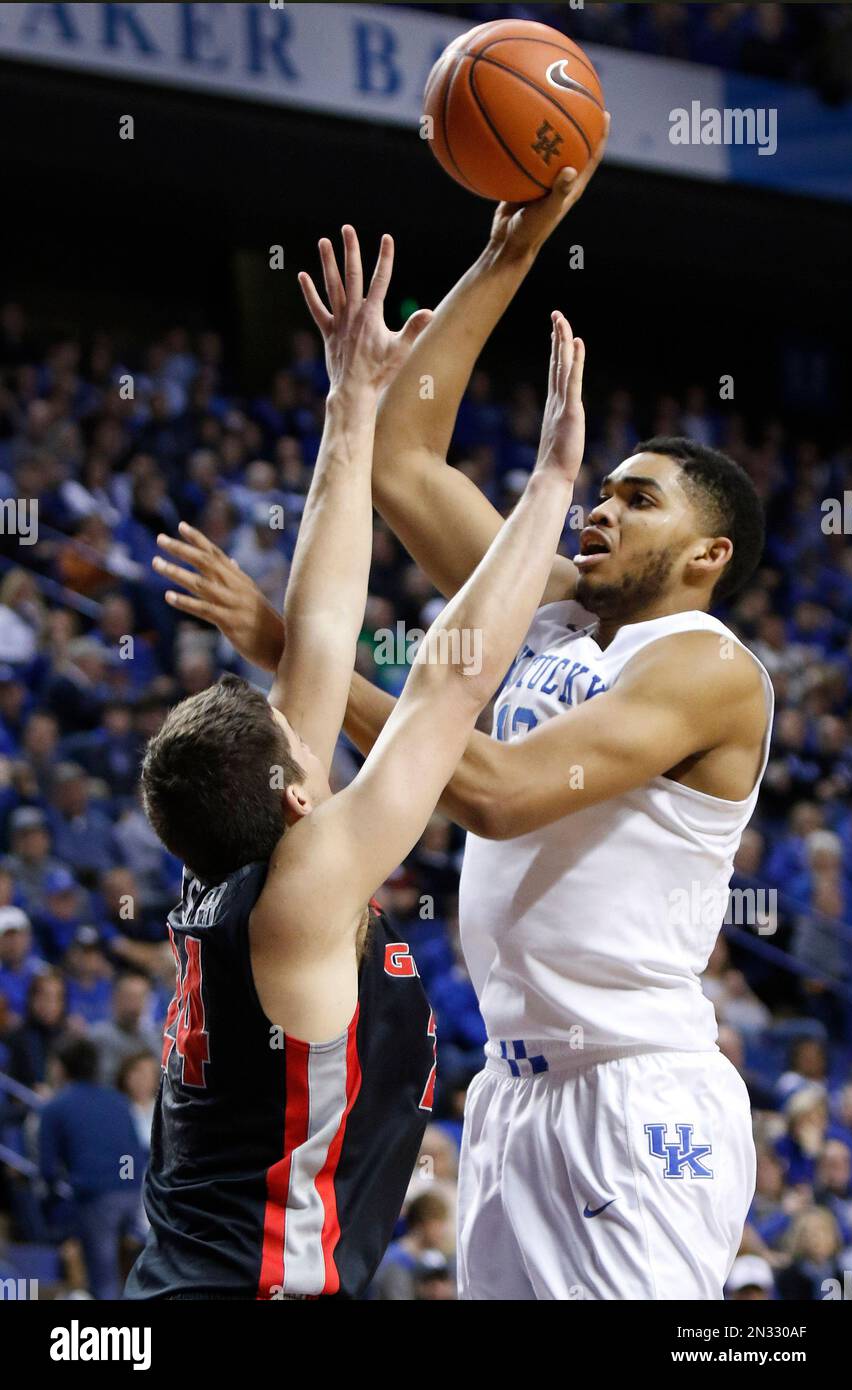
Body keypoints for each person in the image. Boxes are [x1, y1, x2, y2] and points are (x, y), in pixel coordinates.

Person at [160, 145, 775, 1301]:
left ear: (708, 554)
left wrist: (296, 653)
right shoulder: (550, 606)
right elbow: (398, 456)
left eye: (637, 499)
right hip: (512, 1090)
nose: (599, 507)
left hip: (632, 1091)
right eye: (602, 488)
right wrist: (511, 249)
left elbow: (489, 786)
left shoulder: (709, 669)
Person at [128, 227, 588, 1301]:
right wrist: (549, 483)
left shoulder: (246, 866)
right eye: (299, 733)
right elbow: (448, 687)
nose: (316, 717)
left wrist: (354, 400)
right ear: (296, 793)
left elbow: (325, 630)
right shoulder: (298, 893)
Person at [39, 1037, 145, 1300]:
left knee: (105, 1280)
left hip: (96, 1199)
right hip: (133, 1195)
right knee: (138, 1275)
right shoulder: (119, 1101)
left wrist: (52, 1203)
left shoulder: (55, 1106)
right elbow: (134, 1152)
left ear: (61, 1068)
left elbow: (47, 1169)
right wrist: (126, 1183)